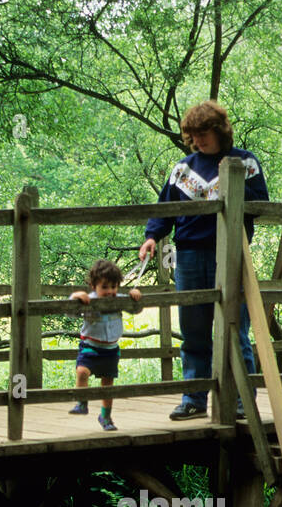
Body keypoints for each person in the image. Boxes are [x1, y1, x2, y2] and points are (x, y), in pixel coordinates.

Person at [138, 100, 268, 420]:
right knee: (194, 331)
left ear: (220, 130)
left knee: (235, 329)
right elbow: (165, 208)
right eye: (193, 135)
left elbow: (261, 204)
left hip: (232, 253)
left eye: (204, 133)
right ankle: (194, 398)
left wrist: (232, 185)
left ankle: (242, 400)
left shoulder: (244, 162)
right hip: (190, 256)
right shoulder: (182, 169)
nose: (198, 140)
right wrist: (152, 236)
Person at [68, 259, 141, 431]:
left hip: (111, 350)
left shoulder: (119, 300)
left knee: (107, 384)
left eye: (114, 287)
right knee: (82, 371)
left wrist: (135, 297)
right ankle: (82, 402)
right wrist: (75, 297)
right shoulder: (88, 300)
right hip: (90, 346)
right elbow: (70, 312)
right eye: (105, 287)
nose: (110, 291)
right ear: (94, 286)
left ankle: (106, 417)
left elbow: (135, 309)